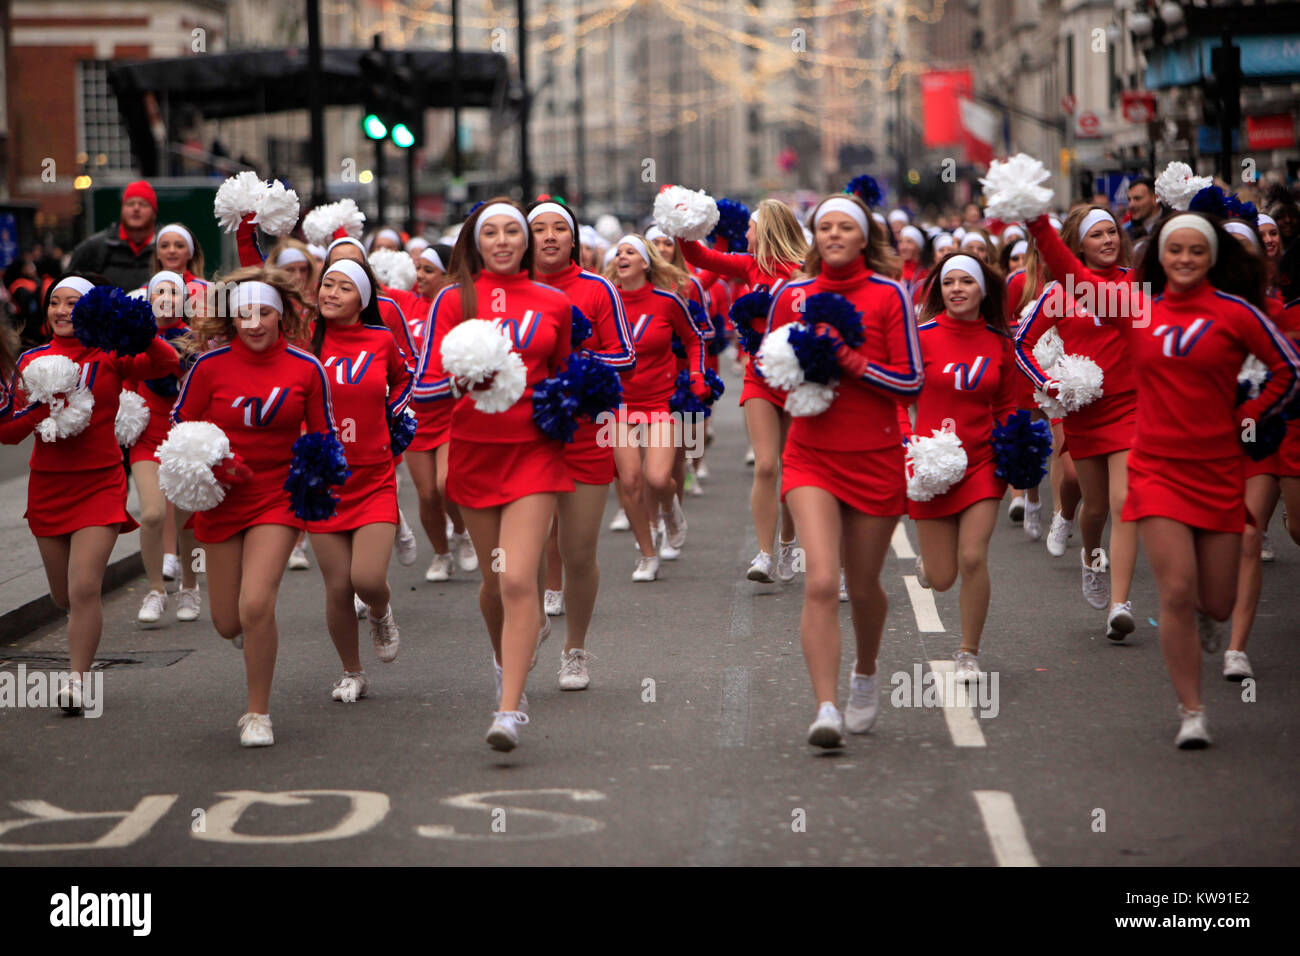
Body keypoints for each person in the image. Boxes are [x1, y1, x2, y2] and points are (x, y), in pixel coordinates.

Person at [1026, 206, 1299, 747]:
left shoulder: (1234, 314)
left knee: (1214, 601)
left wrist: (1250, 415)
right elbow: (1070, 272)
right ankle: (1190, 710)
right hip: (1156, 466)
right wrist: (1036, 222)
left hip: (1219, 472)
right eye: (1175, 250)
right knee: (1174, 589)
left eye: (1197, 250)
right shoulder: (1136, 308)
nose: (1185, 259)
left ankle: (1212, 620)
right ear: (1159, 258)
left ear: (1212, 258)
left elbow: (1287, 368)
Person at [412, 198, 576, 751]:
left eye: (515, 231)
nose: (504, 240)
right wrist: (465, 380)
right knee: (492, 585)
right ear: (476, 243)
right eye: (493, 233)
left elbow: (563, 378)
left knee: (516, 579)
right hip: (476, 456)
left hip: (535, 453)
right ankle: (504, 657)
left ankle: (509, 708)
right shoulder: (455, 300)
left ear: (527, 241)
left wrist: (571, 409)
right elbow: (424, 387)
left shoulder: (555, 302)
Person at [769, 194, 922, 747]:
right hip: (810, 455)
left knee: (862, 587)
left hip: (874, 458)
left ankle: (865, 672)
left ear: (863, 239)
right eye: (823, 227)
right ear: (814, 238)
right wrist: (795, 372)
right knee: (821, 581)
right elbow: (769, 371)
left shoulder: (889, 295)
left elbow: (911, 384)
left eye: (844, 227)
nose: (833, 235)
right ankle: (826, 707)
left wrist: (851, 362)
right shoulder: (792, 296)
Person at [171, 267, 340, 746]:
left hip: (277, 497)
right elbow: (180, 428)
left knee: (256, 602)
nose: (254, 323)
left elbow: (323, 436)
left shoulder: (307, 368)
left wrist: (317, 482)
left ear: (281, 315)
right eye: (244, 313)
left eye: (264, 312)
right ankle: (248, 631)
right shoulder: (209, 367)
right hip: (223, 499)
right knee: (228, 622)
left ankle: (258, 713)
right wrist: (217, 463)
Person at [9, 274, 180, 711]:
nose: (62, 311)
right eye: (54, 303)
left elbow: (164, 364)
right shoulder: (30, 359)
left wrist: (138, 328)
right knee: (64, 596)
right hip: (47, 487)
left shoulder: (110, 355)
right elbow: (8, 435)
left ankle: (77, 680)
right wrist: (38, 409)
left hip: (100, 485)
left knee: (85, 588)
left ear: (91, 309)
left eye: (72, 303)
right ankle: (79, 639)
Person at [1016, 206, 1140, 641]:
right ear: (1079, 245)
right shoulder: (1059, 292)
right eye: (1097, 235)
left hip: (1131, 408)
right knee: (1097, 507)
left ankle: (1119, 605)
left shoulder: (1134, 284)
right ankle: (1090, 555)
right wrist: (1050, 385)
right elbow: (1021, 345)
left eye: (1112, 233)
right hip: (1085, 413)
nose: (1107, 240)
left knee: (1127, 504)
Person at [530, 199, 635, 687]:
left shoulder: (597, 289)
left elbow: (624, 356)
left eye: (559, 229)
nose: (549, 236)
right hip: (524, 435)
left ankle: (575, 649)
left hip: (586, 432)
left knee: (576, 550)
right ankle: (532, 619)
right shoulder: (508, 292)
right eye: (539, 229)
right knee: (526, 547)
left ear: (575, 240)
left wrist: (576, 367)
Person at [676, 199, 806, 583]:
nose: (744, 234)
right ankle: (764, 553)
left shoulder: (803, 273)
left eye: (750, 227)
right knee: (767, 465)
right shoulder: (749, 266)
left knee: (794, 471)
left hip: (799, 383)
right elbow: (696, 254)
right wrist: (684, 219)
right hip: (760, 378)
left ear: (766, 230)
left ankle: (786, 543)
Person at [905, 253, 1017, 683]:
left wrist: (1013, 450)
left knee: (973, 556)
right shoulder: (921, 337)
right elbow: (899, 396)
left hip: (982, 463)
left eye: (965, 282)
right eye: (948, 282)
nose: (956, 289)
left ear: (982, 290)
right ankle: (928, 567)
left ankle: (968, 652)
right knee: (942, 577)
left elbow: (1007, 404)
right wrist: (904, 442)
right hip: (931, 467)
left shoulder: (999, 341)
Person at [307, 258, 411, 701]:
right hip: (321, 481)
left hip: (373, 476)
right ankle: (351, 672)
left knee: (367, 579)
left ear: (362, 300)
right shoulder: (302, 341)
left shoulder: (381, 339)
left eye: (344, 288)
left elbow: (406, 380)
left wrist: (393, 415)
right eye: (327, 284)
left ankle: (381, 610)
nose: (331, 292)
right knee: (337, 586)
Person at [128, 272, 201, 626]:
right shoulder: (136, 337)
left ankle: (190, 585)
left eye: (174, 292)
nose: (166, 297)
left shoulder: (196, 338)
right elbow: (124, 380)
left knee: (188, 520)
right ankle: (155, 590)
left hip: (184, 438)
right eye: (160, 291)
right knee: (154, 513)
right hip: (147, 436)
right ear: (149, 296)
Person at [67, 181, 158, 290]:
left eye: (143, 204)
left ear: (154, 212)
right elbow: (68, 287)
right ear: (121, 209)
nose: (136, 208)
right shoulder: (94, 247)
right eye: (130, 203)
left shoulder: (166, 247)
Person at [1123, 177, 1163, 245]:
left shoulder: (1173, 226)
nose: (1131, 205)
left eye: (1137, 199)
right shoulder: (1126, 233)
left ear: (1155, 199)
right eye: (1129, 200)